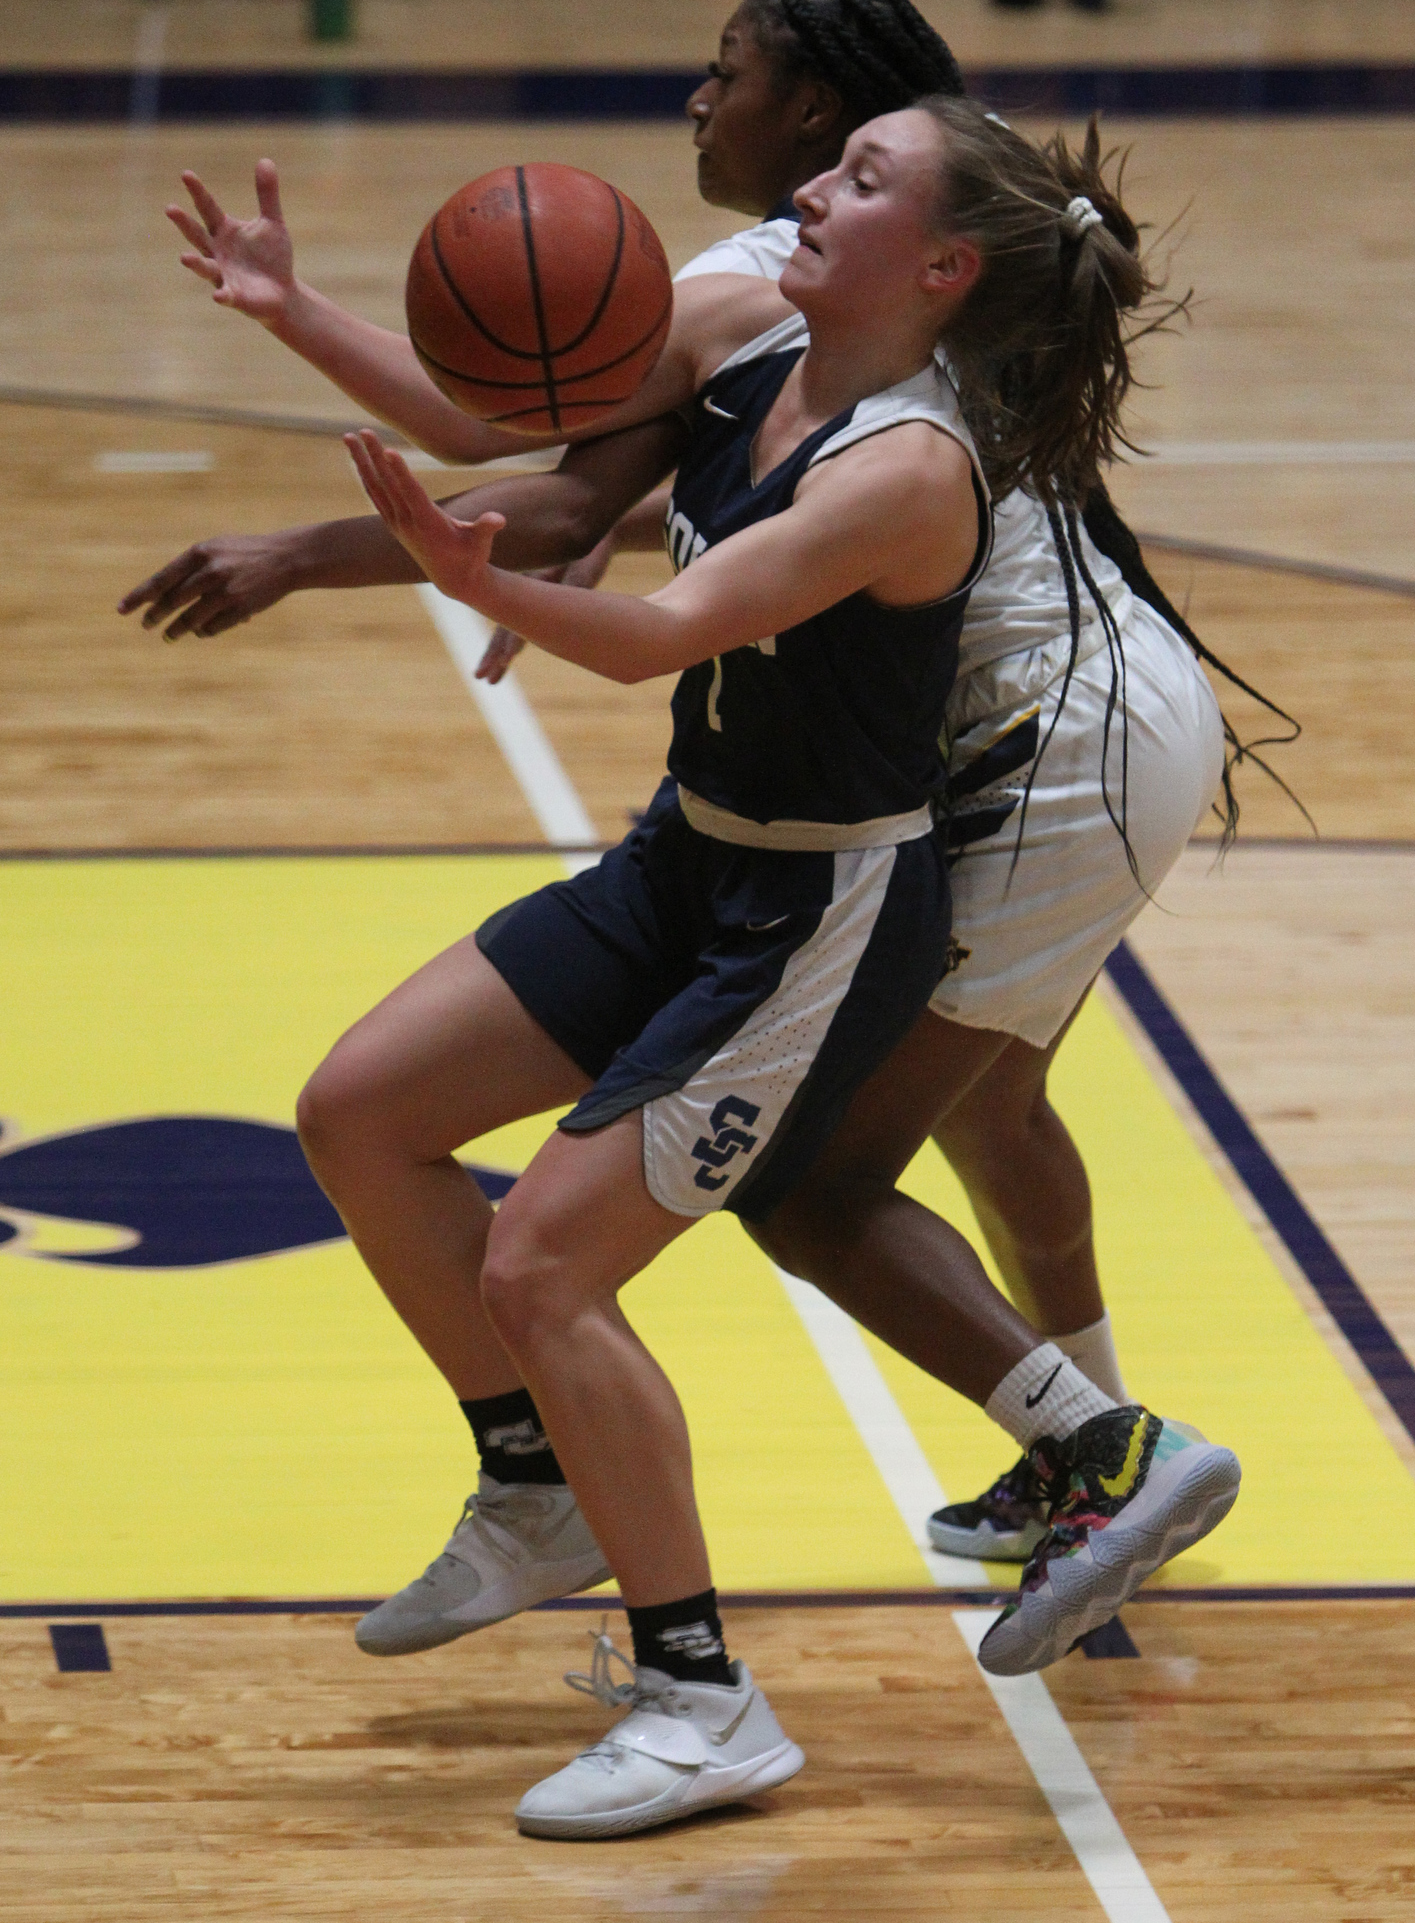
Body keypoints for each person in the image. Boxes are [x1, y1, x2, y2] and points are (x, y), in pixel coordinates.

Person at [133, 92, 1241, 1839]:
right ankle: (534, 1484)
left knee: (544, 1264)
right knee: (357, 1112)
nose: (806, 186)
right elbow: (556, 470)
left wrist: (446, 564)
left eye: (858, 178)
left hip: (815, 920)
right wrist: (330, 381)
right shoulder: (753, 357)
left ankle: (700, 1694)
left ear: (943, 266)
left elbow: (652, 634)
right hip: (688, 859)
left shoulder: (909, 465)